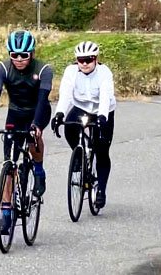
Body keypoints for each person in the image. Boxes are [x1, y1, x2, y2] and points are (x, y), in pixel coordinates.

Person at [0, 29, 54, 235]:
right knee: (9, 163)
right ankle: (5, 211)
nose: (19, 60)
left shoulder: (44, 69)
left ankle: (38, 170)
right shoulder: (2, 68)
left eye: (24, 55)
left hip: (37, 111)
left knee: (33, 139)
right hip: (15, 113)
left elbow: (42, 100)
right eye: (15, 55)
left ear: (32, 53)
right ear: (9, 54)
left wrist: (36, 126)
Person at [51, 41, 116, 209]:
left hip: (103, 109)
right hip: (81, 106)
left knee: (102, 149)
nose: (85, 63)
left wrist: (102, 116)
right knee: (69, 128)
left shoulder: (104, 72)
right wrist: (59, 114)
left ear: (96, 59)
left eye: (89, 59)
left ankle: (100, 189)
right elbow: (65, 94)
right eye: (81, 60)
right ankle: (79, 156)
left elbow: (105, 96)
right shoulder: (71, 72)